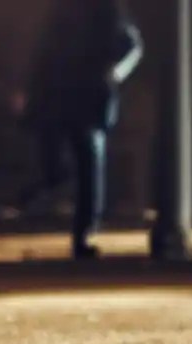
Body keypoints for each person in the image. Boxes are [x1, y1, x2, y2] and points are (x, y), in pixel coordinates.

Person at [14, 0, 143, 259]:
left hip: (86, 94)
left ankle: (82, 234)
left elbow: (132, 45)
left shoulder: (104, 8)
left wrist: (115, 73)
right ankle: (53, 192)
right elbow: (43, 51)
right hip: (64, 93)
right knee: (77, 164)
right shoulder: (66, 10)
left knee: (88, 167)